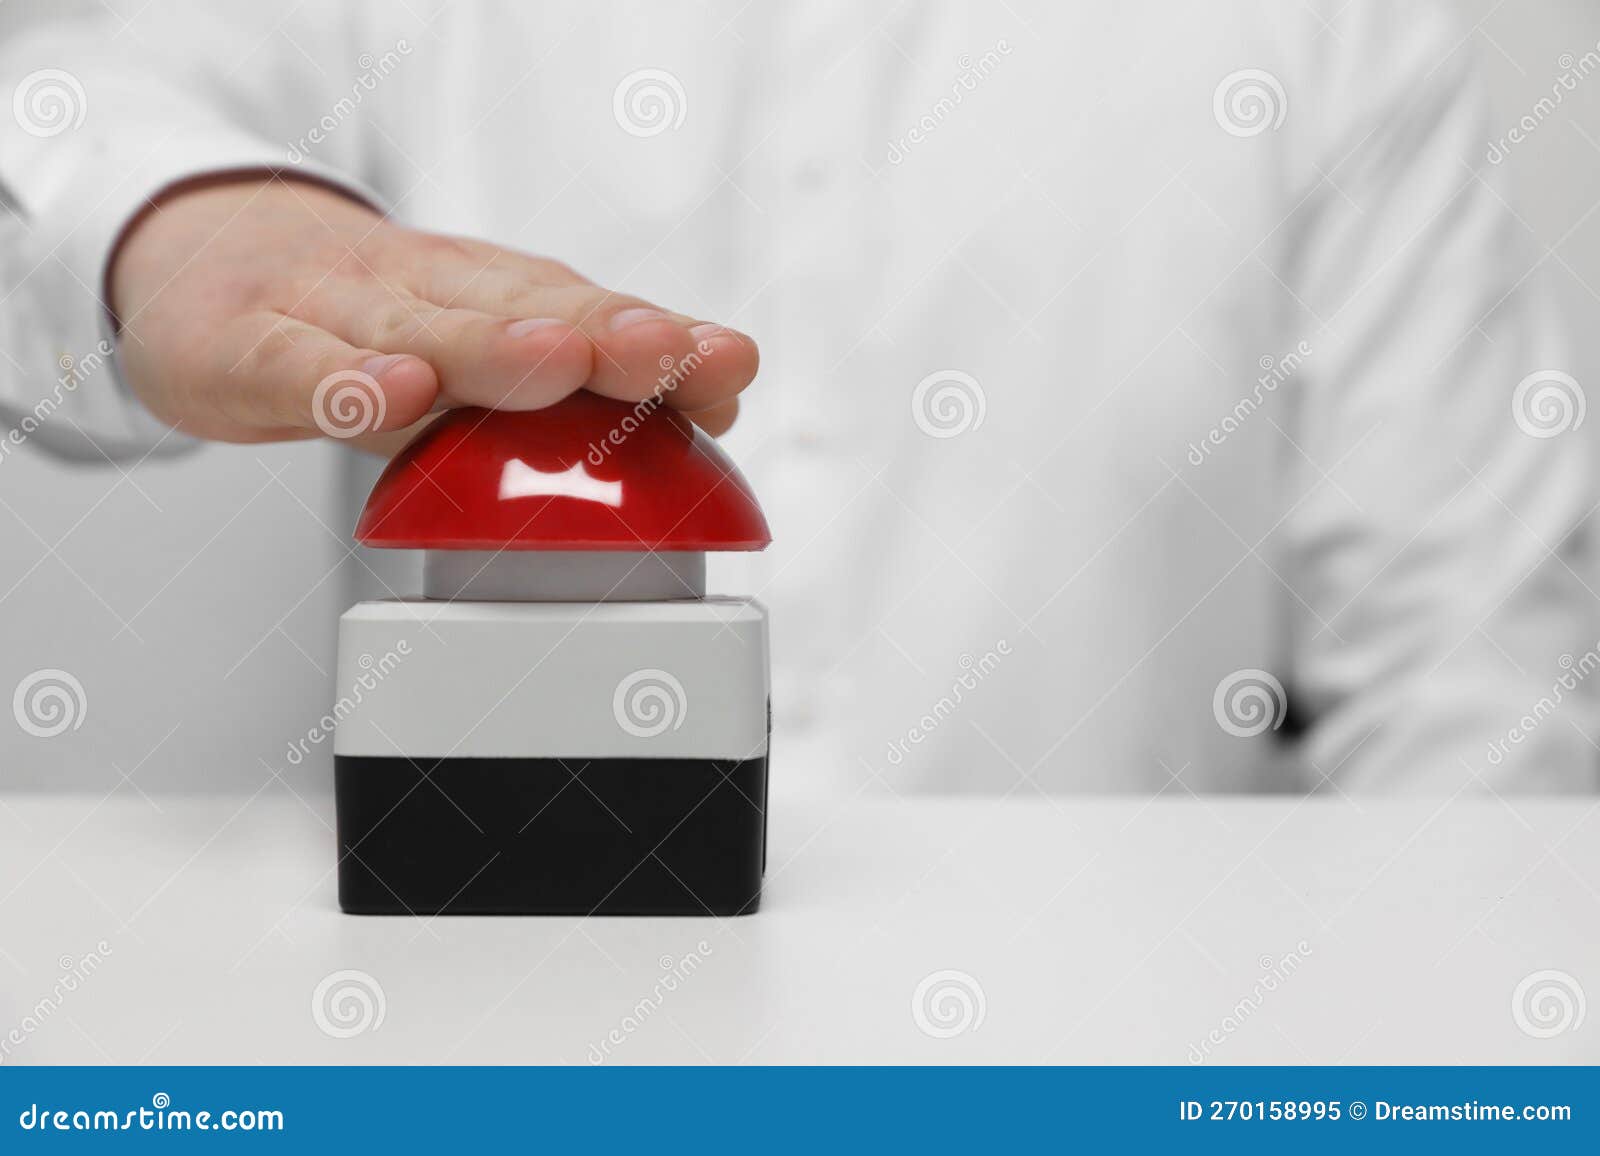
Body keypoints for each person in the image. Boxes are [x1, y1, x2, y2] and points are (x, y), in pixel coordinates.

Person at [0, 0, 1593, 792]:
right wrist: (170, 216)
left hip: (1103, 1065)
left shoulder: (1335, 33)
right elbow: (68, 113)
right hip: (485, 1055)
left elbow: (1475, 697)